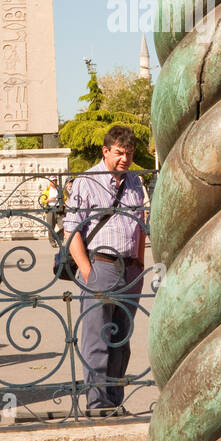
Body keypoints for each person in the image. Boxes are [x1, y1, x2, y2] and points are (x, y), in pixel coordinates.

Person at [63, 126, 146, 415]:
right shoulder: (86, 181)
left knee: (121, 340)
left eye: (130, 153)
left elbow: (141, 224)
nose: (126, 158)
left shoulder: (135, 180)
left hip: (131, 269)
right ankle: (97, 404)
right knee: (97, 338)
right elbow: (71, 230)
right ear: (106, 151)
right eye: (120, 153)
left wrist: (140, 264)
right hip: (102, 265)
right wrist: (88, 271)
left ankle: (114, 401)